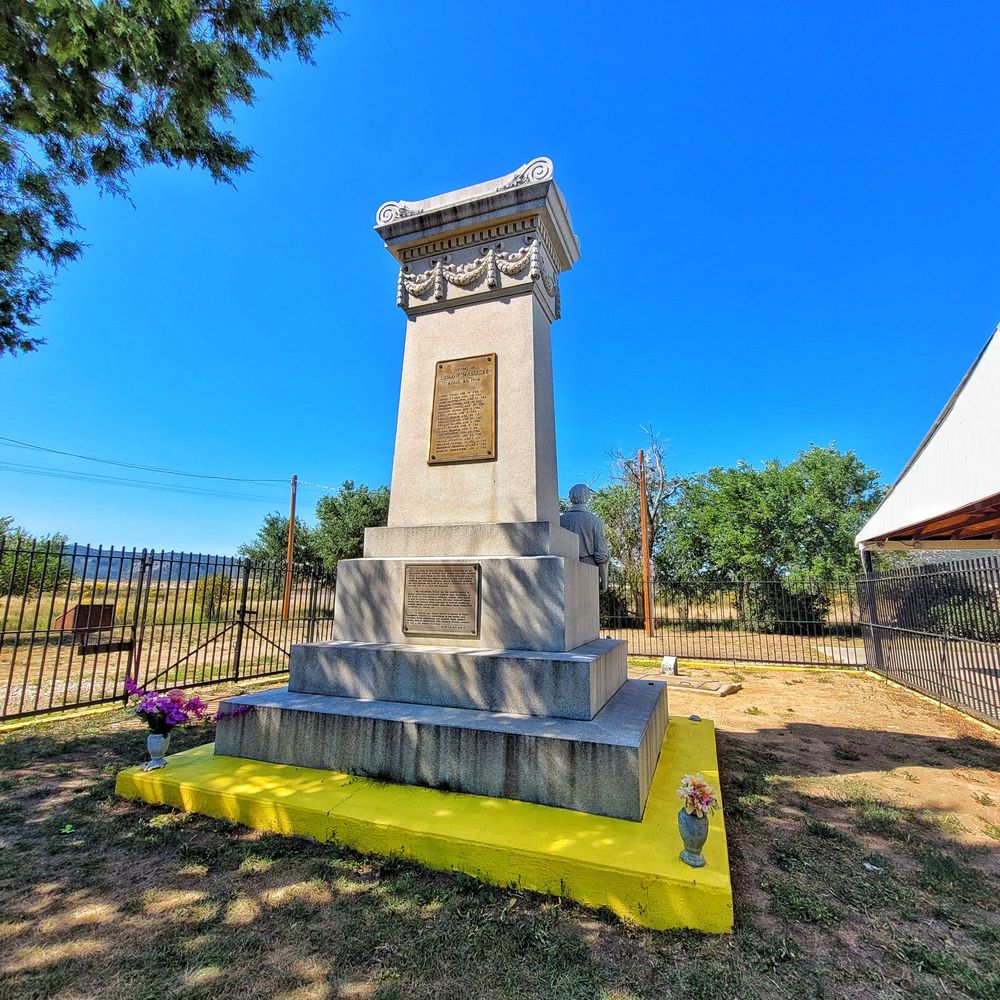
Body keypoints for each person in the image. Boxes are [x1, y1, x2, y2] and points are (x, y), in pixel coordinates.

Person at [559, 483, 610, 592]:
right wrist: (604, 581)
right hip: (589, 569)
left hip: (563, 569)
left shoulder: (559, 521)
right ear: (587, 497)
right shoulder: (596, 522)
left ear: (570, 498)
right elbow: (601, 556)